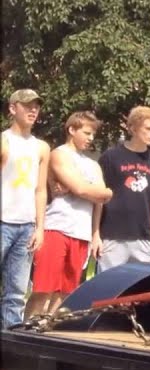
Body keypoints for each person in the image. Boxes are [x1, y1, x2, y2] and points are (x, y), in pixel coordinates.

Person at [26, 111, 114, 320]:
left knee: (66, 293)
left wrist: (96, 233)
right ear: (71, 130)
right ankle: (27, 329)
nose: (91, 138)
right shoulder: (59, 154)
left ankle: (50, 329)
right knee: (43, 289)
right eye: (86, 132)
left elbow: (99, 201)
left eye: (93, 134)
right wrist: (103, 192)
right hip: (56, 227)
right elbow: (81, 189)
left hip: (81, 232)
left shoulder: (93, 164)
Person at [95, 106, 150, 271]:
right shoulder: (110, 157)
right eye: (148, 128)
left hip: (143, 237)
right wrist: (96, 233)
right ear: (133, 128)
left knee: (139, 290)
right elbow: (99, 197)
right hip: (112, 235)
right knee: (109, 289)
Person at [1, 89, 51, 329]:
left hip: (26, 225)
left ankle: (9, 351)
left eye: (36, 106)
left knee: (16, 292)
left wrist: (40, 227)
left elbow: (40, 189)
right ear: (13, 108)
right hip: (2, 221)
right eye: (27, 105)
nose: (33, 110)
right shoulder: (4, 140)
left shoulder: (41, 147)